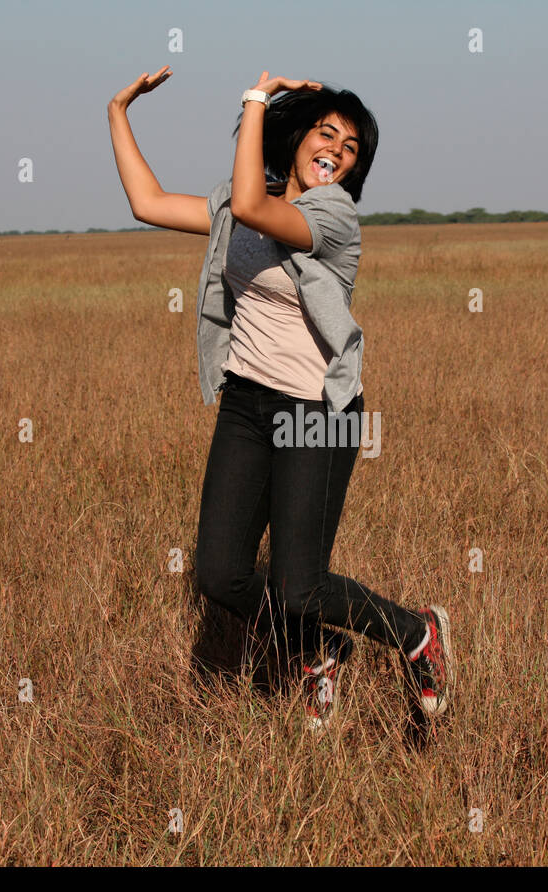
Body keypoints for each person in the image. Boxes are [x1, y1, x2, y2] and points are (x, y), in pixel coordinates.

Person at [107, 66, 451, 735]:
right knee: (220, 575)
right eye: (328, 134)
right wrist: (118, 110)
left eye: (352, 148)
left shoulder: (334, 216)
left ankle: (415, 632)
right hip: (246, 405)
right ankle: (316, 650)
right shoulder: (243, 201)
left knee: (301, 585)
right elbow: (147, 203)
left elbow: (255, 208)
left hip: (316, 414)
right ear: (295, 139)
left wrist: (255, 99)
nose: (339, 151)